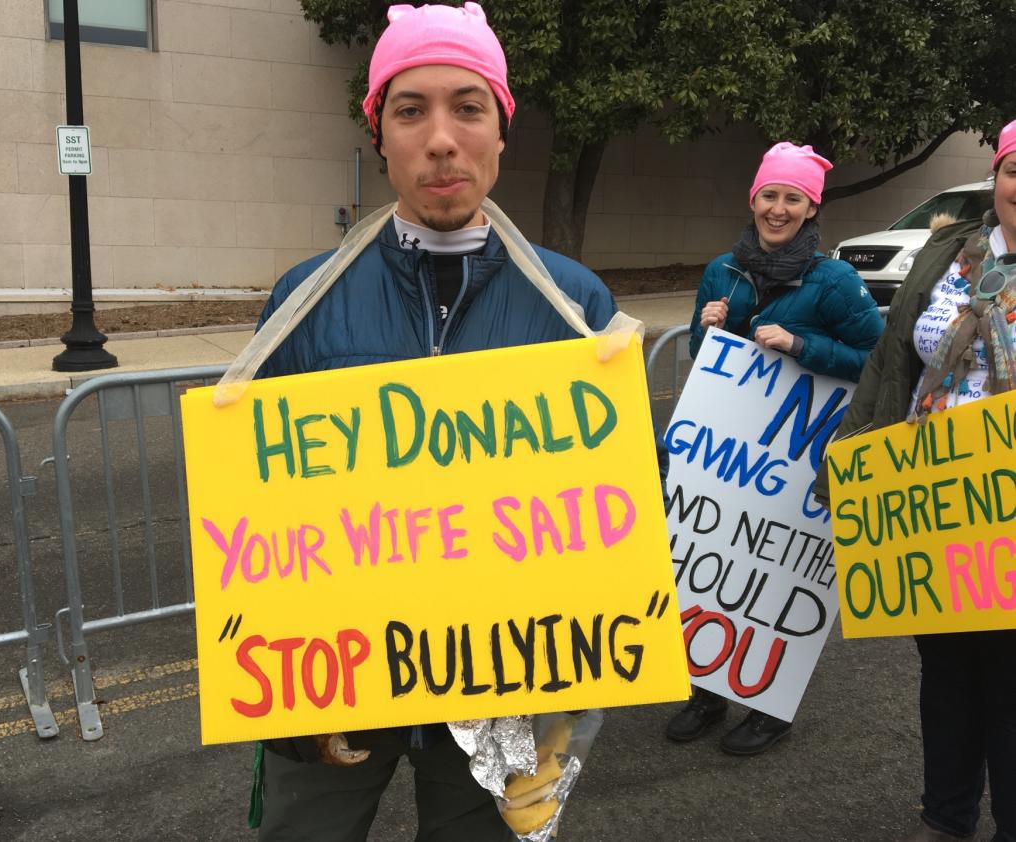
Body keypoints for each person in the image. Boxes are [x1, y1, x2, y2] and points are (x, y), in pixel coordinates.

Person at [249, 4, 618, 840]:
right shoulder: (304, 300)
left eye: (468, 106)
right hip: (337, 671)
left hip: (510, 673)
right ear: (379, 133)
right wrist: (296, 685)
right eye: (411, 110)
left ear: (501, 131)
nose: (441, 138)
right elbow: (261, 508)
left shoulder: (574, 302)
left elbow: (610, 501)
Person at [819, 119, 1016, 842]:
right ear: (996, 178)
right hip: (929, 500)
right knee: (946, 671)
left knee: (1008, 678)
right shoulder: (948, 255)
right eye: (1014, 169)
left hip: (1009, 512)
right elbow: (890, 363)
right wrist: (848, 459)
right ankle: (947, 814)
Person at [666, 141, 884, 755]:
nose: (779, 209)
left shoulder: (835, 281)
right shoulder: (722, 270)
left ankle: (771, 706)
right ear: (753, 199)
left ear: (812, 209)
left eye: (793, 198)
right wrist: (705, 328)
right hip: (731, 457)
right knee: (717, 564)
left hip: (797, 456)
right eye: (770, 195)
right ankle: (708, 691)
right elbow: (704, 350)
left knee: (781, 576)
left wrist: (801, 346)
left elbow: (878, 357)